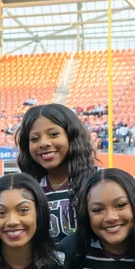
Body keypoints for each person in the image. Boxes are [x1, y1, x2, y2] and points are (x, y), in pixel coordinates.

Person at [16, 103, 96, 240]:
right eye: (35, 139)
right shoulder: (27, 191)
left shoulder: (99, 183)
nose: (44, 143)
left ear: (72, 136)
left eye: (53, 134)